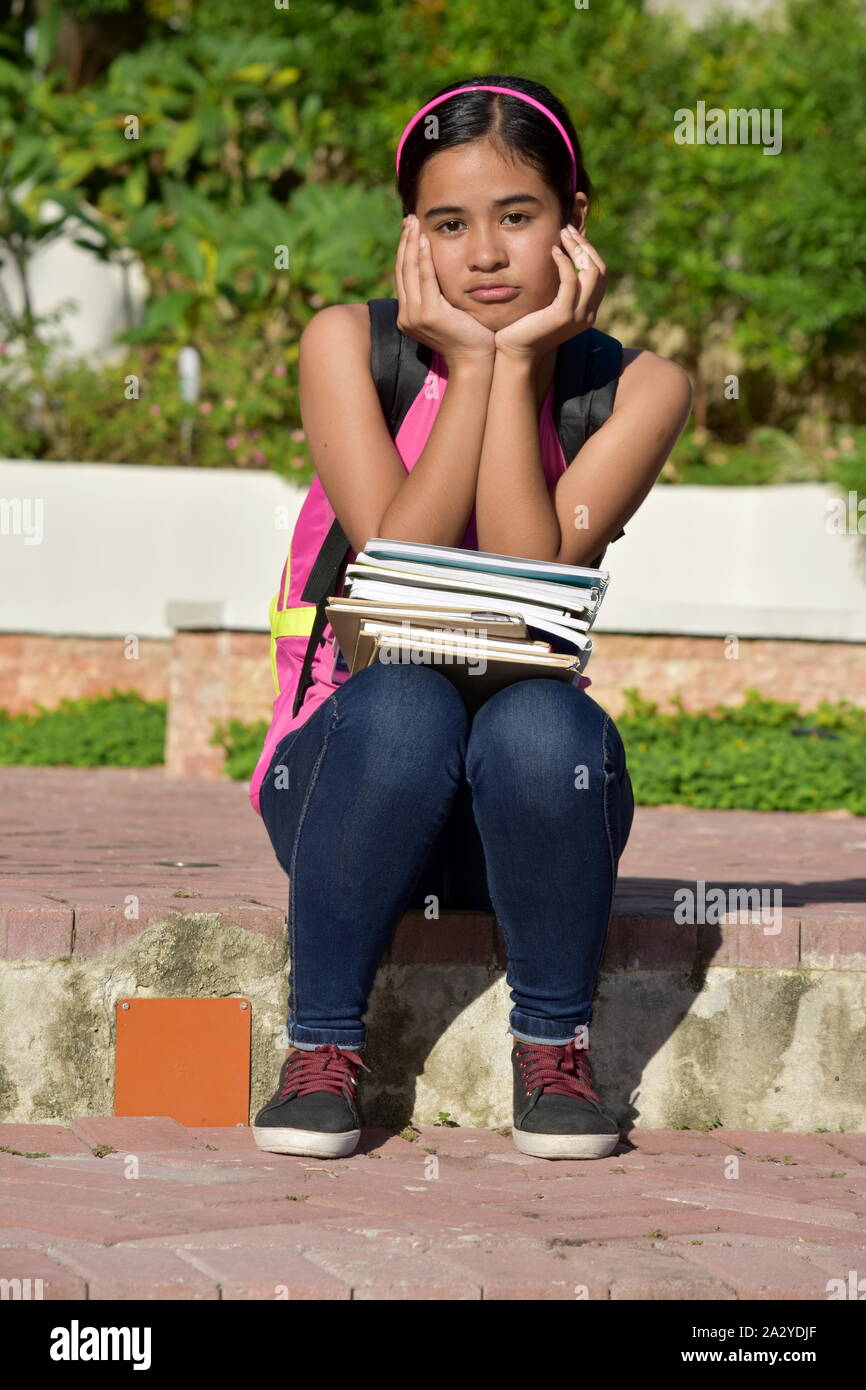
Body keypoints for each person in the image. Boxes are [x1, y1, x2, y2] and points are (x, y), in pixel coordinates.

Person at [251, 75, 693, 1162]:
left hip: (527, 813)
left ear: (572, 223)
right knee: (402, 702)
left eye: (516, 216)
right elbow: (399, 561)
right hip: (349, 793)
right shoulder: (345, 348)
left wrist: (519, 366)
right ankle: (320, 1049)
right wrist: (459, 361)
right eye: (449, 224)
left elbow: (527, 563)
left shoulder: (636, 389)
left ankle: (553, 1049)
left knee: (541, 723)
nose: (484, 254)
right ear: (412, 237)